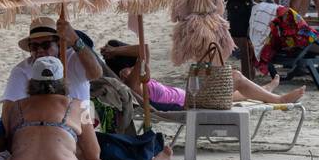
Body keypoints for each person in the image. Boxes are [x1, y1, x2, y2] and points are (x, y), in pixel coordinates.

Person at [0, 57, 106, 160]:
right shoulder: (82, 106)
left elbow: (9, 148)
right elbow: (94, 155)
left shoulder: (15, 107)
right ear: (63, 81)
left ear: (31, 82)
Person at [101, 42, 305, 106]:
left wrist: (116, 53)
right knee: (232, 76)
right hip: (190, 103)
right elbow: (144, 48)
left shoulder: (138, 81)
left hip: (189, 98)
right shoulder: (133, 85)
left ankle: (265, 92)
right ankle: (278, 99)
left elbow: (143, 54)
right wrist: (115, 52)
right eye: (129, 68)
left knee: (230, 93)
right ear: (123, 71)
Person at [2, 15, 101, 112]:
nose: (40, 50)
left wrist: (75, 40)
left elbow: (96, 74)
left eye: (46, 45)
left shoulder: (74, 58)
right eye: (34, 46)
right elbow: (9, 109)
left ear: (58, 44)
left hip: (80, 124)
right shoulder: (22, 70)